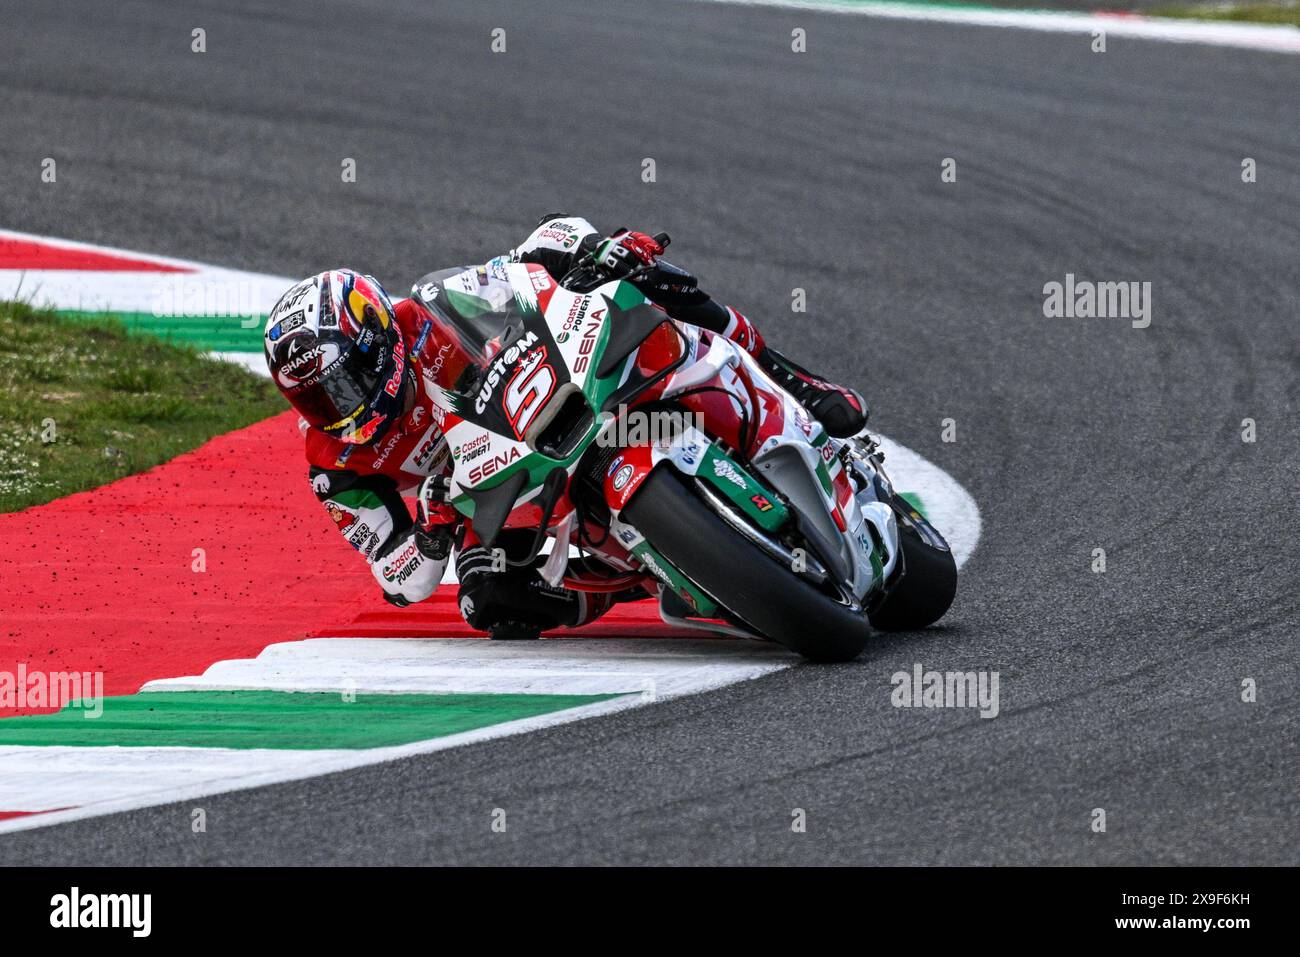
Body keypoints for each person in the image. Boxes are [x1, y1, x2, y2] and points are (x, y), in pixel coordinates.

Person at [263, 215, 868, 637]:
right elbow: (404, 583)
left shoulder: (424, 312)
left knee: (647, 280)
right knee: (489, 601)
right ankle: (642, 576)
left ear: (377, 336)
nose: (341, 406)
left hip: (539, 409)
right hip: (485, 498)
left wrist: (583, 254)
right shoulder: (334, 465)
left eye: (345, 381)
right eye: (318, 400)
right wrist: (430, 526)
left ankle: (793, 380)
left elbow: (518, 266)